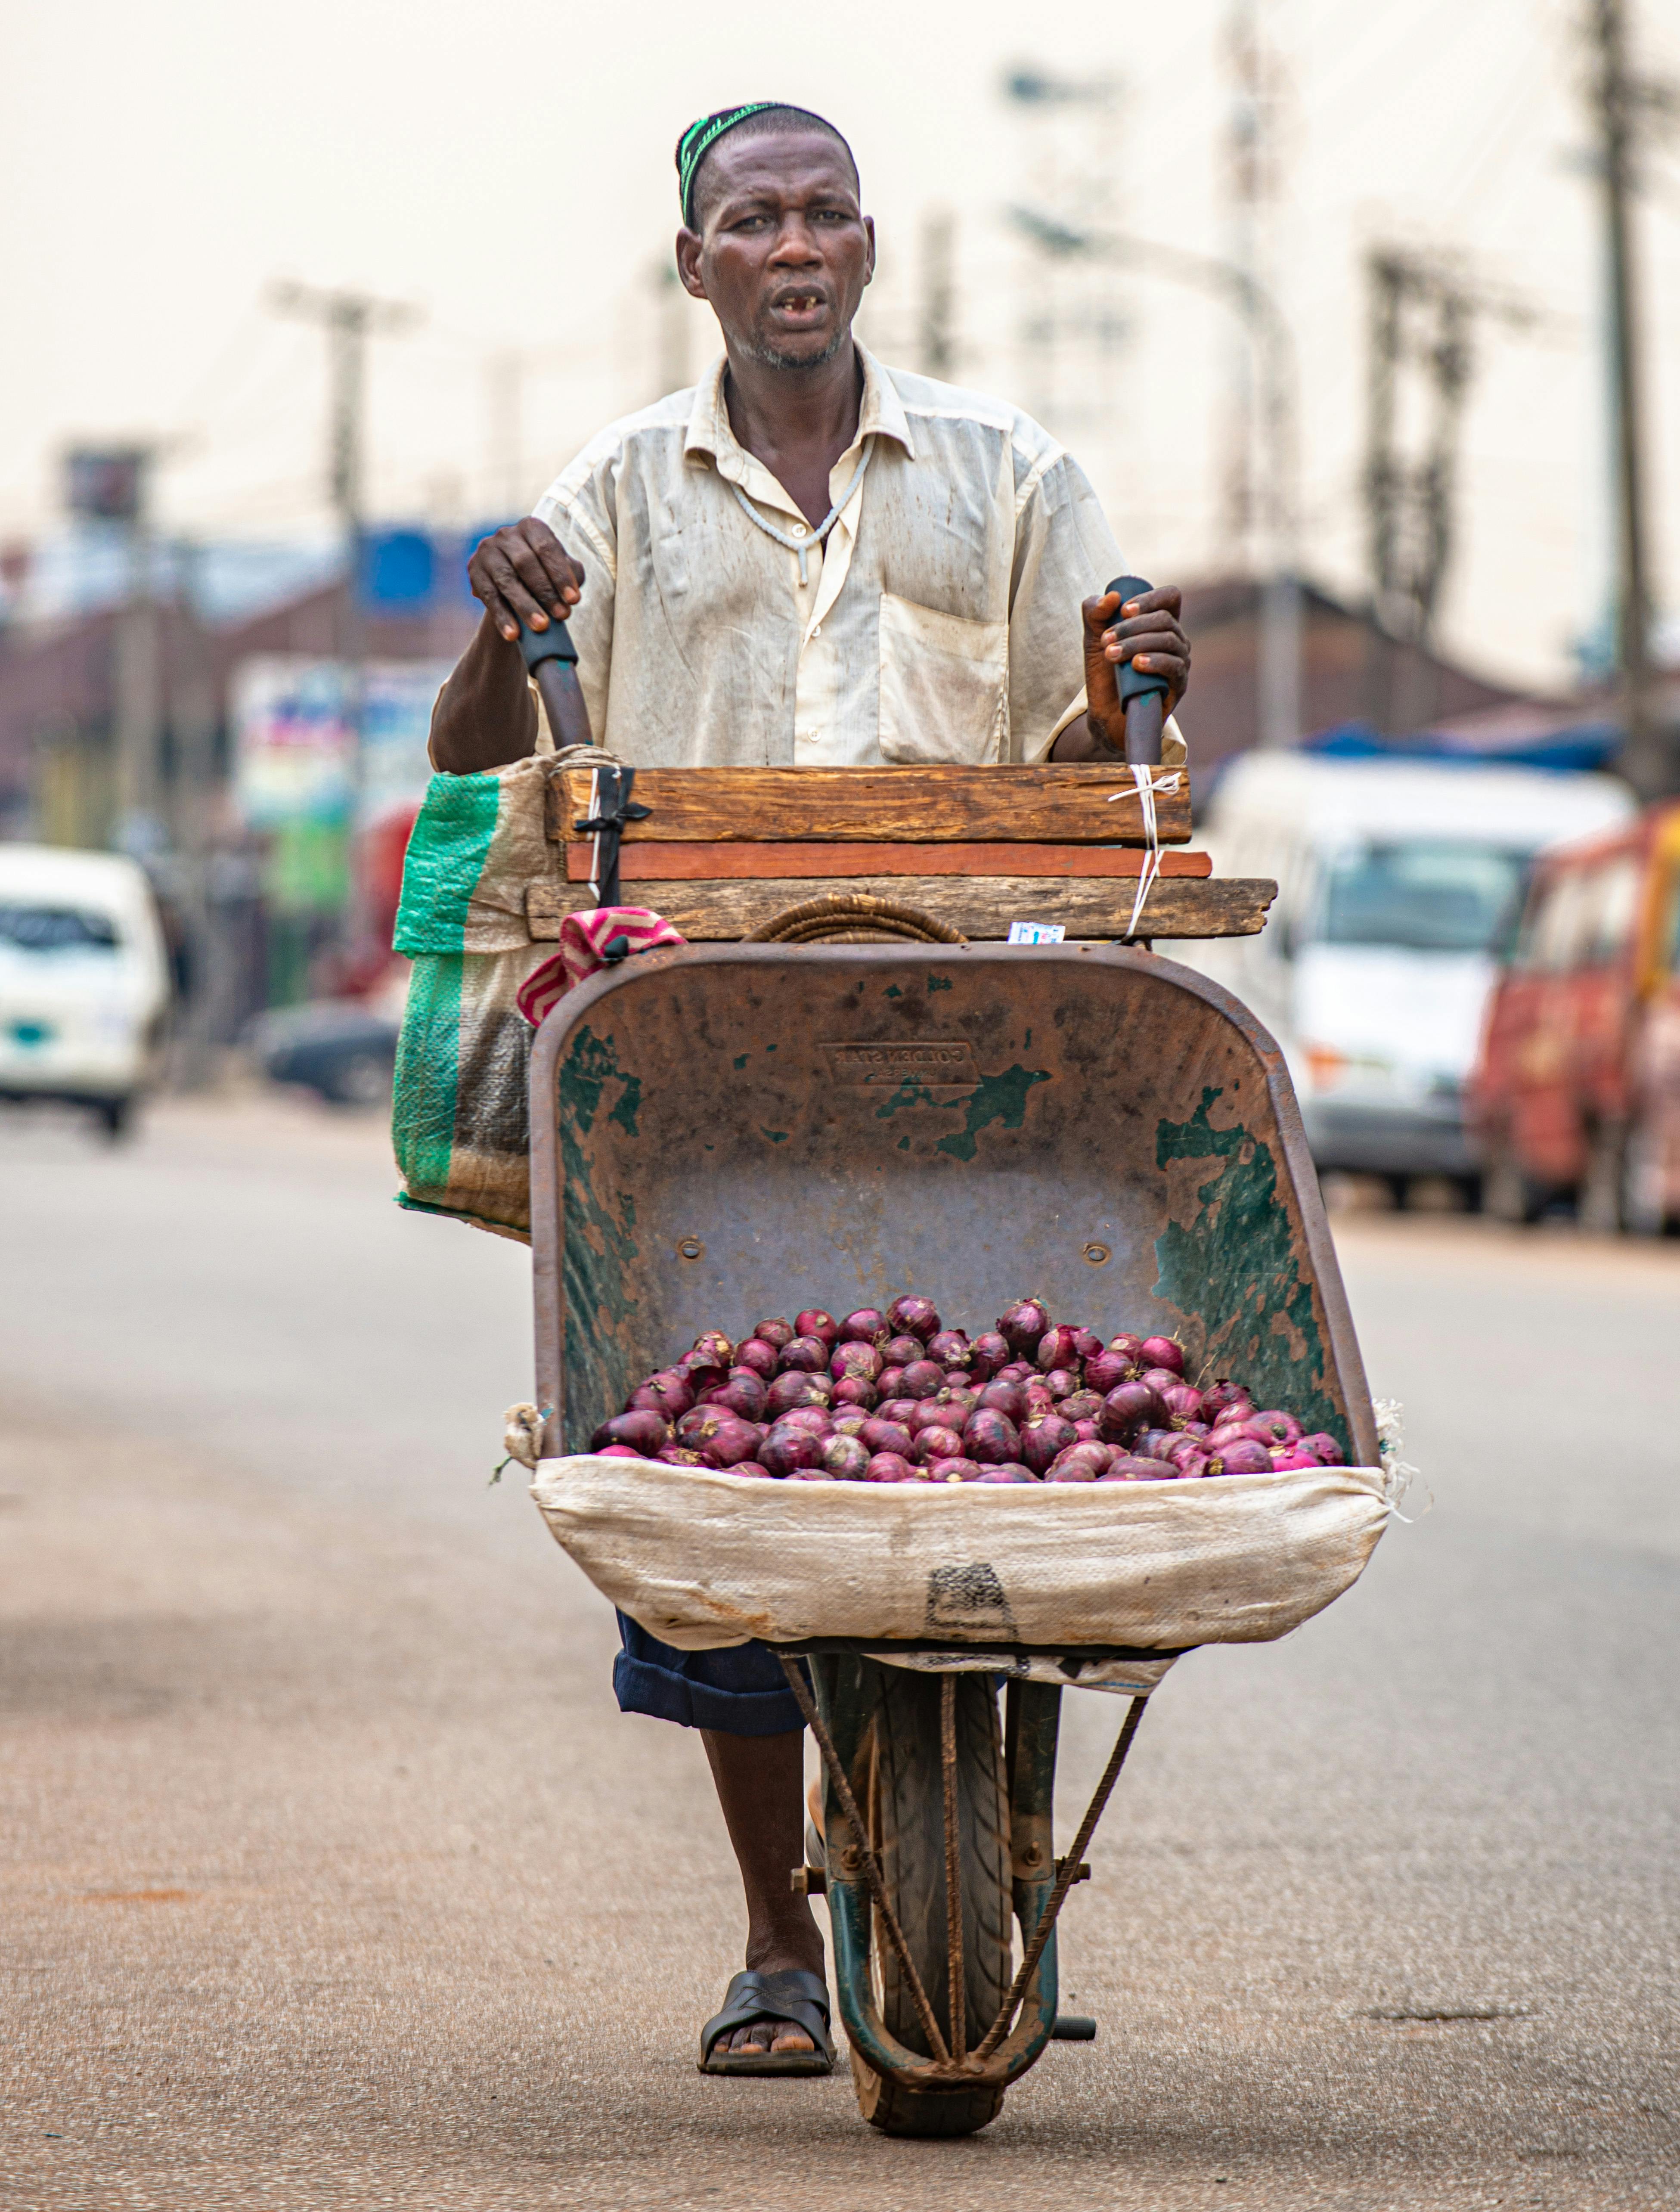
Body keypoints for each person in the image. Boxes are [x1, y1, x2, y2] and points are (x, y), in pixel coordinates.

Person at [428, 102, 1192, 2075]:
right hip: (705, 1057)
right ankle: (777, 1937)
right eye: (752, 218)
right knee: (718, 1478)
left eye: (823, 213)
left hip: (977, 1050)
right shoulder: (614, 488)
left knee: (1013, 1435)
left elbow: (1090, 765)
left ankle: (994, 1860)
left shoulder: (1010, 472)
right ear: (692, 265)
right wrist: (497, 621)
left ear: (867, 245)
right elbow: (478, 756)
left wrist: (1133, 681)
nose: (792, 244)